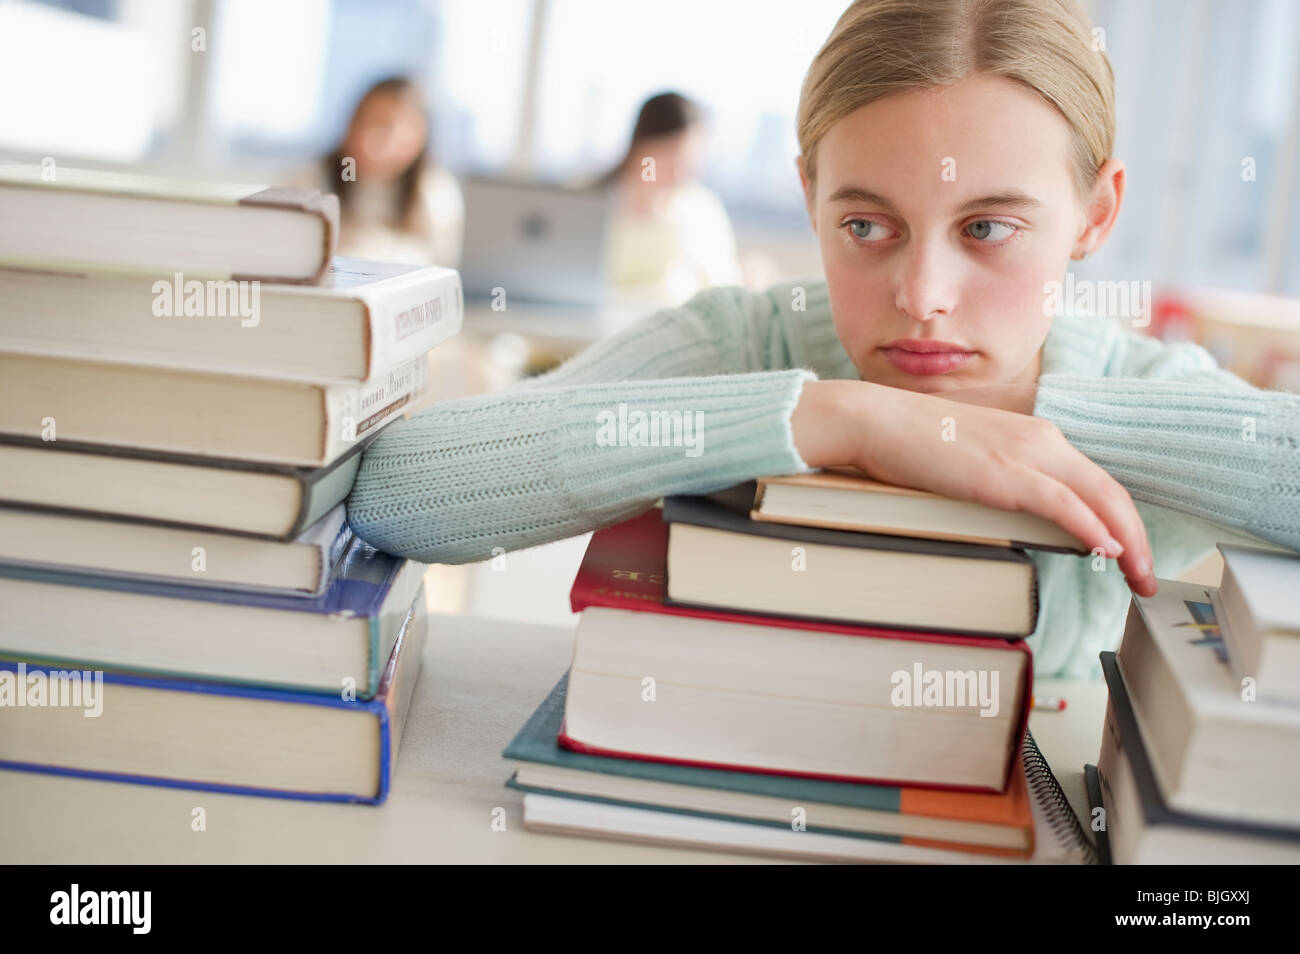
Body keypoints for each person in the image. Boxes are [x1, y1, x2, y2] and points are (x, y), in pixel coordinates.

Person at [346, 0, 1300, 679]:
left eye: (988, 229)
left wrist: (1031, 412)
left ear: (1097, 214)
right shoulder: (751, 343)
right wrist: (833, 417)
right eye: (867, 227)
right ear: (809, 196)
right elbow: (403, 494)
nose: (923, 298)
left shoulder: (1144, 385)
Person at [599, 91, 742, 304]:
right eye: (671, 154)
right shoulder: (586, 200)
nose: (679, 171)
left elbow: (724, 284)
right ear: (641, 146)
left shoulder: (701, 209)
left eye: (689, 159)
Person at [321, 76, 463, 266]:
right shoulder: (311, 180)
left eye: (386, 127)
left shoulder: (434, 193)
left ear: (419, 136)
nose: (370, 136)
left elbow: (441, 267)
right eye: (363, 121)